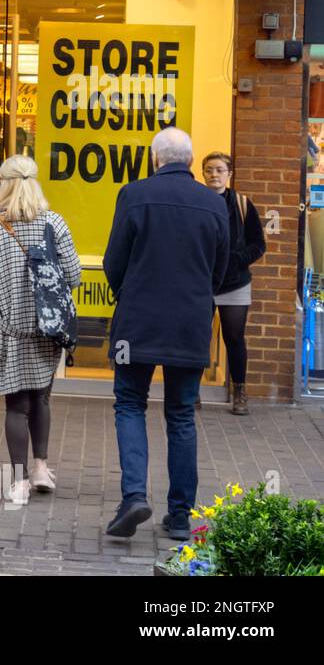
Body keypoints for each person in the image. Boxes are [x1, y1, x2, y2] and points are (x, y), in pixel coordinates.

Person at [103, 128, 229, 540]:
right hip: (190, 324)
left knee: (129, 404)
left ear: (156, 159)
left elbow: (113, 260)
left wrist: (127, 293)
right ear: (190, 161)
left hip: (136, 322)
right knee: (181, 415)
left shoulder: (133, 194)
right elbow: (221, 269)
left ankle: (134, 496)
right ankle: (179, 516)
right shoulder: (214, 203)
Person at [0, 155, 81, 505]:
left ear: (3, 183)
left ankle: (19, 482)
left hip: (9, 330)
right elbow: (74, 276)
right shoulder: (54, 222)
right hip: (48, 327)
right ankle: (41, 468)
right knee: (42, 397)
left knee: (16, 406)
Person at [202, 152, 265, 417]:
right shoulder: (197, 201)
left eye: (219, 170)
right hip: (201, 281)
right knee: (197, 337)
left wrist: (238, 260)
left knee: (234, 338)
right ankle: (190, 391)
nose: (214, 175)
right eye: (208, 170)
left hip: (235, 282)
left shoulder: (242, 204)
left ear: (229, 173)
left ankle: (239, 391)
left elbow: (259, 244)